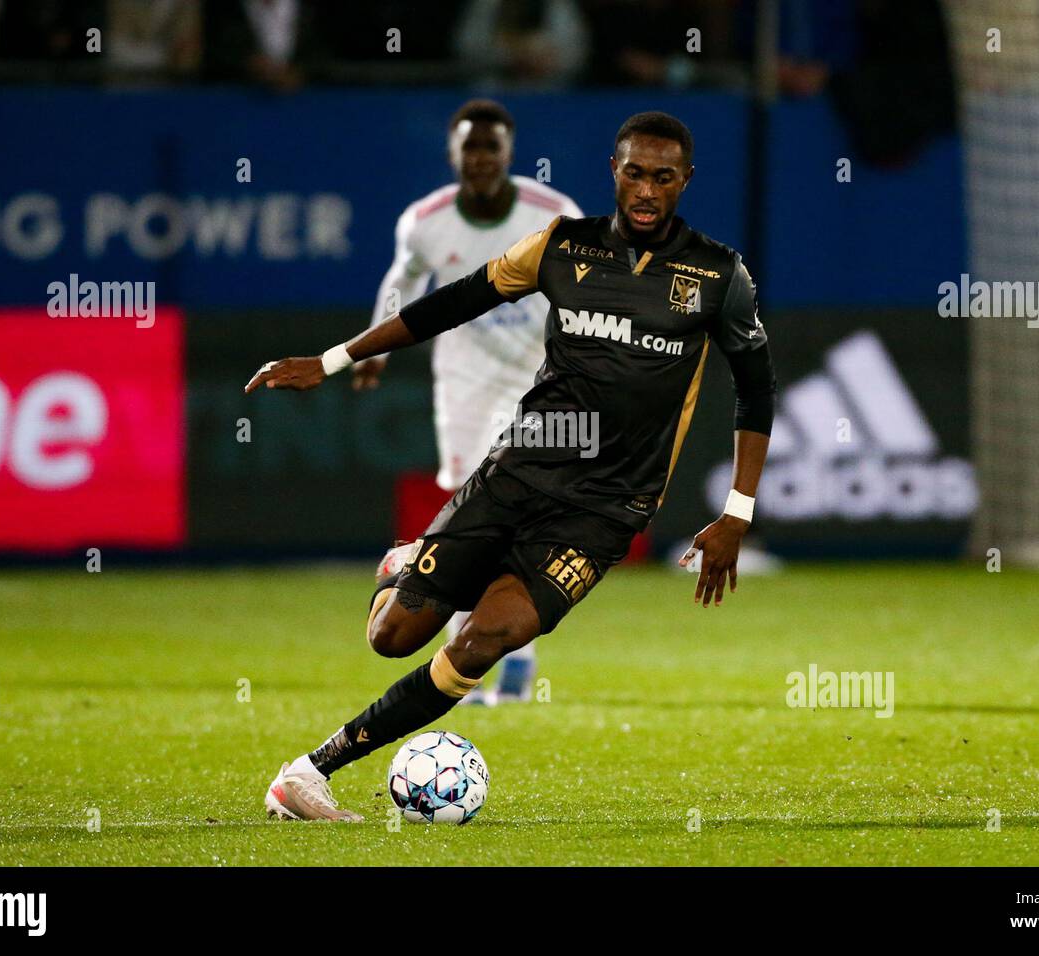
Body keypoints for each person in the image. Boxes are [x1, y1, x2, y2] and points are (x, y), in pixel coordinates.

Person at [247, 111, 776, 822]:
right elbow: (455, 301)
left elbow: (757, 388)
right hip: (521, 470)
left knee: (483, 639)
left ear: (685, 180)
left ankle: (309, 773)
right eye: (635, 172)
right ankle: (404, 566)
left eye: (664, 176)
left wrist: (737, 513)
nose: (647, 190)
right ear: (613, 170)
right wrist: (335, 358)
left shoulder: (717, 273)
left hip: (606, 509)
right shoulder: (561, 247)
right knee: (391, 637)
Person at [358, 98, 582, 706]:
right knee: (467, 512)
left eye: (491, 148)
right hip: (462, 378)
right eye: (470, 148)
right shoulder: (426, 219)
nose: (480, 159)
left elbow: (588, 283)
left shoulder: (553, 214)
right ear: (454, 154)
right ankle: (487, 657)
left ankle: (496, 651)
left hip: (538, 382)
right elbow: (401, 279)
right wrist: (373, 348)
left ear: (508, 155)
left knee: (509, 511)